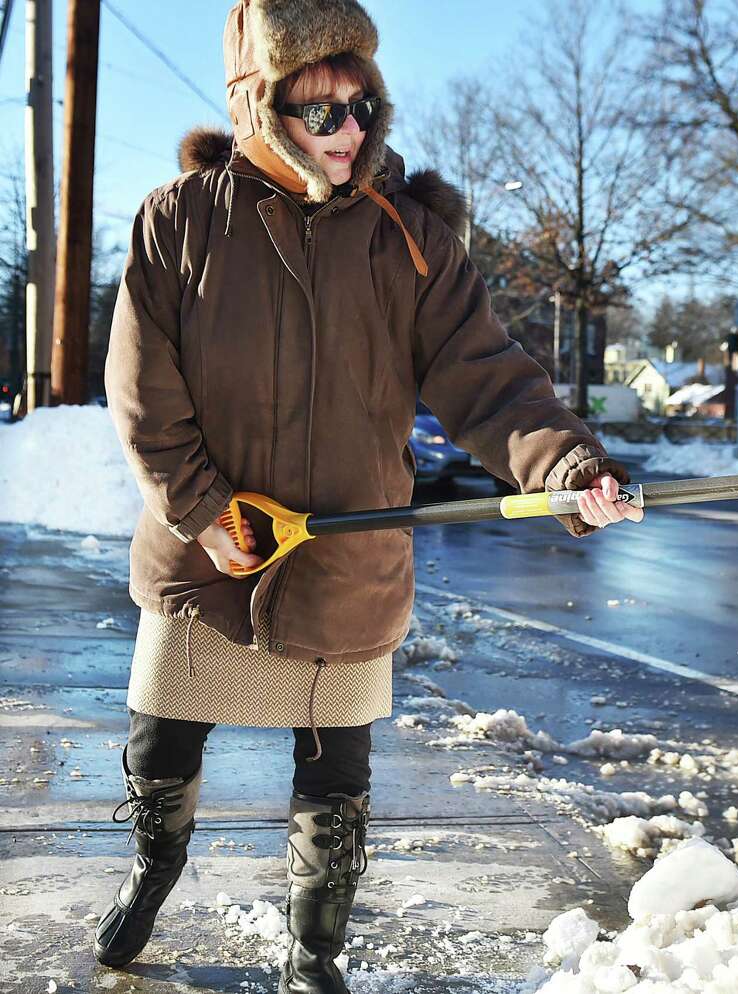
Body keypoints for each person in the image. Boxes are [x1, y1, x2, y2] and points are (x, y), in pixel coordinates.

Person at [96, 1, 642, 989]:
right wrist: (206, 510)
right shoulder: (180, 222)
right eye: (320, 112)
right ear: (258, 105)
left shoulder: (409, 241)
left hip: (347, 561)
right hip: (210, 554)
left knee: (336, 779)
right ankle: (154, 865)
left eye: (361, 106)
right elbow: (144, 393)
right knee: (162, 741)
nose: (350, 132)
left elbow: (489, 378)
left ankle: (315, 952)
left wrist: (567, 469)